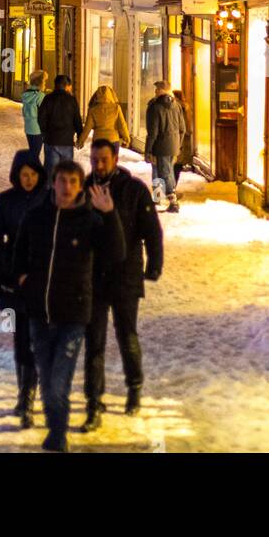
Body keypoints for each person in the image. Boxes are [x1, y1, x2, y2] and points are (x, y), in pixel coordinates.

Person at [12, 160, 124, 452]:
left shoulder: (90, 221)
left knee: (58, 382)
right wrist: (23, 278)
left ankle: (58, 437)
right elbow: (19, 253)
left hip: (73, 316)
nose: (68, 187)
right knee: (48, 383)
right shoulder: (36, 217)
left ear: (80, 186)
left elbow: (115, 254)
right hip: (39, 314)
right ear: (53, 182)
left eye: (74, 182)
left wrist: (110, 215)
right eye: (63, 180)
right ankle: (56, 431)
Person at [81, 139, 163, 428]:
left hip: (126, 276)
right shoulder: (83, 187)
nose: (98, 166)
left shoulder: (134, 191)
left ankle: (134, 388)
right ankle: (94, 402)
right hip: (93, 277)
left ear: (115, 158)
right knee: (94, 342)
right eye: (94, 160)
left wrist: (154, 264)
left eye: (103, 160)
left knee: (127, 336)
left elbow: (152, 230)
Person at [0, 150, 46, 427]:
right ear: (16, 175)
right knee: (20, 340)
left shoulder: (47, 199)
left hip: (40, 281)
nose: (29, 179)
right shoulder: (5, 201)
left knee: (35, 340)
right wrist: (2, 274)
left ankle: (31, 396)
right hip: (14, 283)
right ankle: (25, 395)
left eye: (33, 174)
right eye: (24, 175)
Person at [145, 78, 185, 212]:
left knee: (163, 172)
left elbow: (153, 132)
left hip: (160, 146)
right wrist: (178, 145)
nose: (155, 91)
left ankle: (172, 202)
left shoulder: (155, 107)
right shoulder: (177, 105)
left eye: (158, 89)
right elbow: (182, 129)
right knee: (166, 171)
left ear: (163, 91)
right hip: (173, 145)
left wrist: (148, 150)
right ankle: (157, 197)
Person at [37, 73, 82, 172]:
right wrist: (80, 135)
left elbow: (41, 118)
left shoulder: (48, 98)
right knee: (66, 173)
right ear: (67, 86)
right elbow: (77, 120)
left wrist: (44, 133)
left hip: (51, 140)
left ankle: (50, 187)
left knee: (50, 173)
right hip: (67, 142)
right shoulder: (72, 100)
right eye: (70, 86)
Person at [79, 83, 130, 150]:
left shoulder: (93, 109)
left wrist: (81, 141)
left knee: (99, 160)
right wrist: (126, 139)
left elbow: (87, 127)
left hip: (98, 140)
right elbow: (122, 125)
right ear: (111, 95)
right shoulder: (116, 108)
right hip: (113, 140)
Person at [21, 69, 47, 162]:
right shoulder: (40, 96)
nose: (45, 83)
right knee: (35, 154)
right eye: (44, 81)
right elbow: (45, 114)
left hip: (28, 128)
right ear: (40, 82)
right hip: (38, 129)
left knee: (33, 152)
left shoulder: (26, 95)